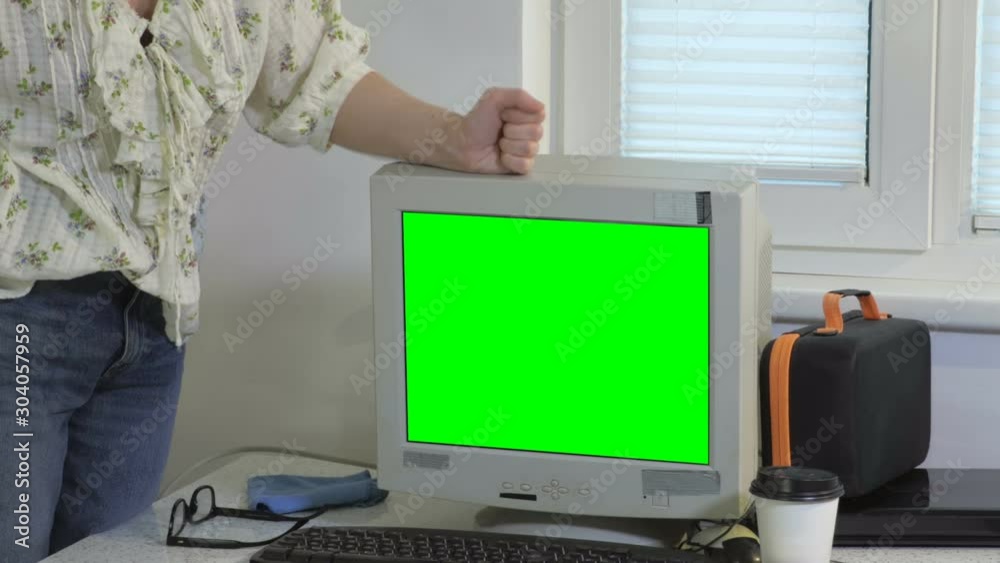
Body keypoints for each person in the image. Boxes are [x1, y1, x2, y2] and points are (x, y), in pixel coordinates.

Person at [0, 0, 545, 560]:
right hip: (20, 322)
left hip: (157, 319)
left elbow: (316, 74)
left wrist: (458, 138)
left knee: (113, 556)